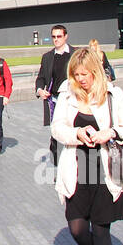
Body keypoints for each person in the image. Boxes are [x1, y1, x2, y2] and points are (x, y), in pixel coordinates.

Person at [50, 46, 123, 245]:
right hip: (76, 169)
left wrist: (108, 133)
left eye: (85, 74)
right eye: (76, 75)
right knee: (77, 228)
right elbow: (57, 128)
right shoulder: (67, 94)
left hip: (105, 171)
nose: (81, 80)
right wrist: (77, 133)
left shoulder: (114, 94)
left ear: (96, 72)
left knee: (101, 230)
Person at [36, 24, 74, 165]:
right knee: (56, 135)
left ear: (65, 36)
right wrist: (40, 90)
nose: (56, 39)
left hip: (72, 100)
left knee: (73, 134)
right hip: (55, 101)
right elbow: (40, 78)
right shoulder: (47, 57)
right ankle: (58, 167)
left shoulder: (75, 54)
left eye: (59, 36)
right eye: (53, 36)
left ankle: (75, 166)